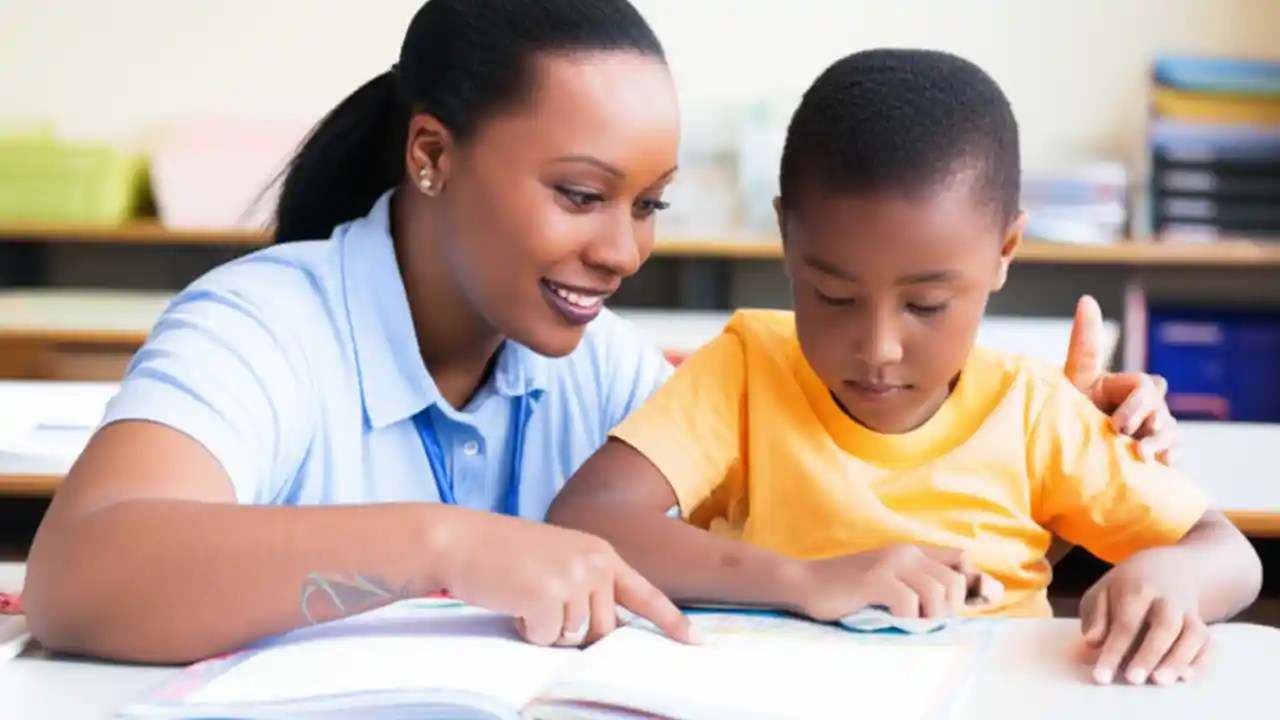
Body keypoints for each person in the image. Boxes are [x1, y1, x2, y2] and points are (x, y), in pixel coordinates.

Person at [23, 0, 1172, 665]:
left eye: (647, 203)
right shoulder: (263, 324)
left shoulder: (604, 369)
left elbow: (821, 526)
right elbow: (80, 579)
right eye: (580, 195)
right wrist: (448, 544)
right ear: (430, 155)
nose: (624, 250)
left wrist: (1021, 447)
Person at [547, 48, 1262, 688]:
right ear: (787, 238)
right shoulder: (744, 369)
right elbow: (589, 518)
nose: (879, 346)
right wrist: (806, 580)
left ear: (1005, 249)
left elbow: (1226, 552)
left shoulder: (1033, 410)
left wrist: (1173, 574)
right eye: (832, 296)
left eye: (925, 304)